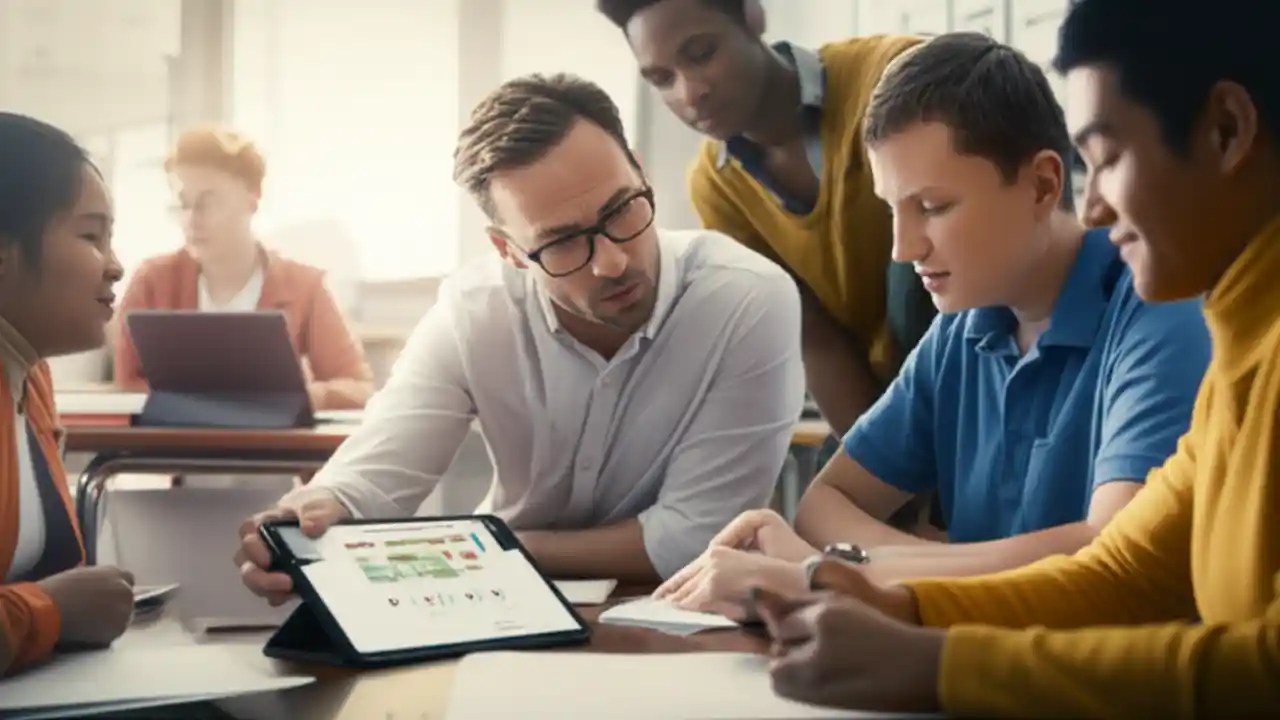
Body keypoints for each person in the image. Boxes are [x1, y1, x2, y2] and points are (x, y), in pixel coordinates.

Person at [754, 2, 1280, 716]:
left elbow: (1264, 669)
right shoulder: (1241, 354)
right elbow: (1123, 570)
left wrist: (939, 661)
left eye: (1110, 159)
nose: (1090, 207)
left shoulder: (1211, 329)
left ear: (1226, 132)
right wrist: (895, 603)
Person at [654, 32, 1212, 617]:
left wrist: (838, 573)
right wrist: (882, 568)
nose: (902, 247)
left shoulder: (1157, 304)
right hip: (977, 656)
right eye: (892, 209)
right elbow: (827, 503)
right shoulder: (961, 329)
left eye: (934, 207)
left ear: (1045, 184)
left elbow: (1113, 554)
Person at [232, 73, 804, 597]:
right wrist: (308, 516)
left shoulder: (746, 298)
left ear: (642, 176)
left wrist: (496, 544)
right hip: (499, 597)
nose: (611, 262)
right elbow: (375, 473)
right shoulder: (474, 311)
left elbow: (695, 537)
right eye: (561, 242)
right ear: (508, 251)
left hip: (678, 608)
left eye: (623, 209)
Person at [598, 0, 933, 439]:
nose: (689, 93)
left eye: (701, 54)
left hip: (988, 362)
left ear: (752, 15)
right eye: (662, 79)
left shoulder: (895, 75)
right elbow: (813, 334)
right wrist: (886, 472)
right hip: (886, 397)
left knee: (916, 249)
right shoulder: (714, 186)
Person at [0, 113, 135, 676]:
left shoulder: (29, 376)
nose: (116, 266)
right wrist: (50, 610)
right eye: (90, 236)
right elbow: (47, 601)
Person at [113, 126, 373, 411]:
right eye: (184, 204)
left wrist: (300, 398)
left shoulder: (304, 286)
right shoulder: (152, 281)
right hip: (175, 445)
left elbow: (357, 387)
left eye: (208, 202)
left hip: (267, 448)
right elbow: (127, 385)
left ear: (253, 197)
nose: (192, 219)